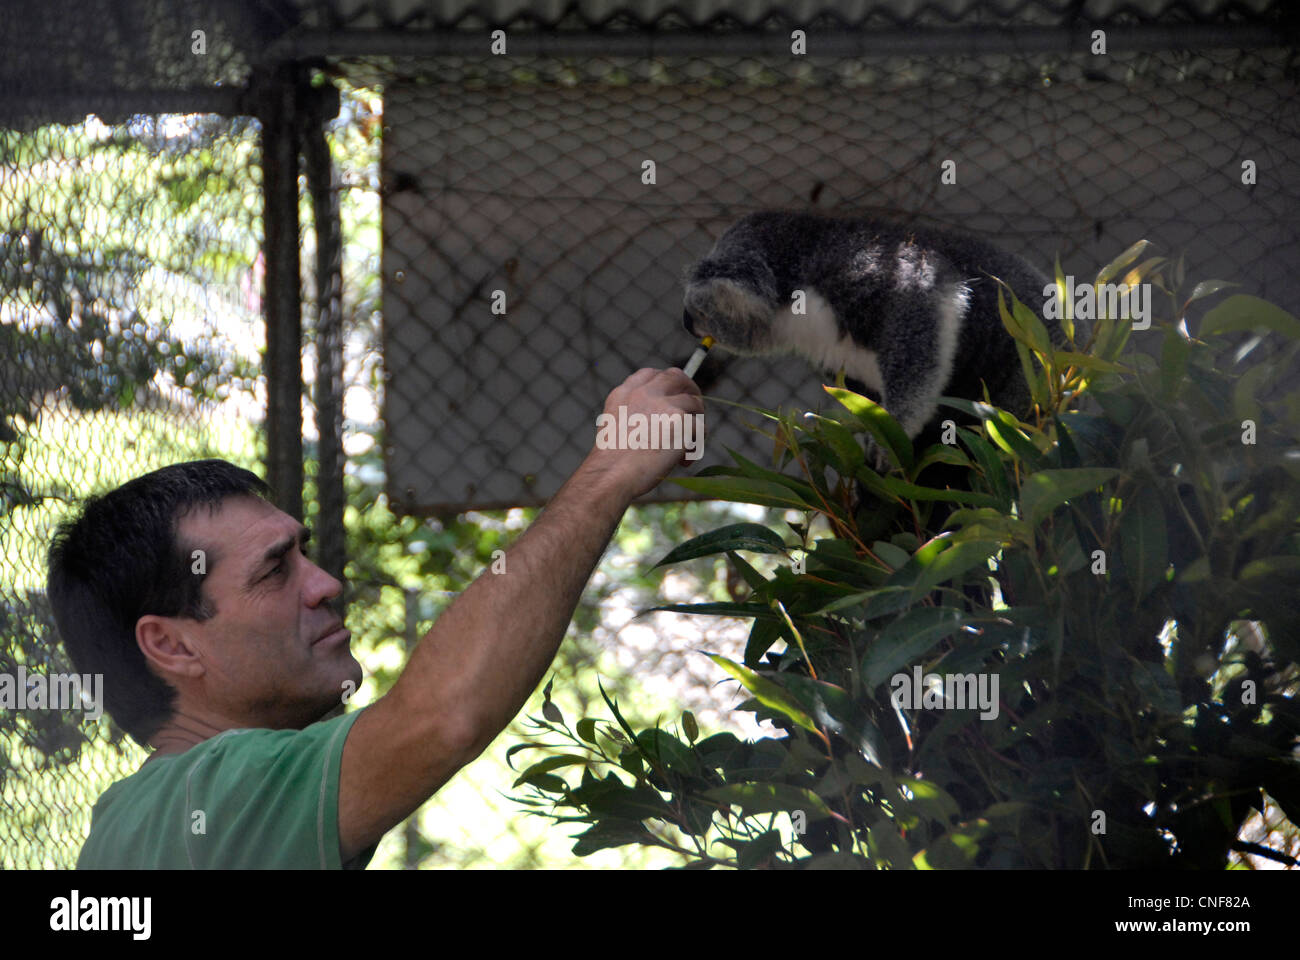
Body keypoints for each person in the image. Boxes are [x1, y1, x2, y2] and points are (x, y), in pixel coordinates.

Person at [53, 367, 705, 868]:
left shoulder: (155, 822)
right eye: (274, 570)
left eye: (303, 554)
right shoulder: (206, 801)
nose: (325, 584)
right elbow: (441, 717)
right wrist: (612, 470)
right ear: (170, 645)